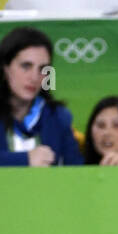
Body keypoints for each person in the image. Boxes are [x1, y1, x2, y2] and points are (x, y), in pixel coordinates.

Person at [1, 26, 82, 166]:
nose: (34, 77)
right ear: (5, 68)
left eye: (43, 69)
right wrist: (25, 160)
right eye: (26, 66)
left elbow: (76, 171)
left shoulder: (58, 116)